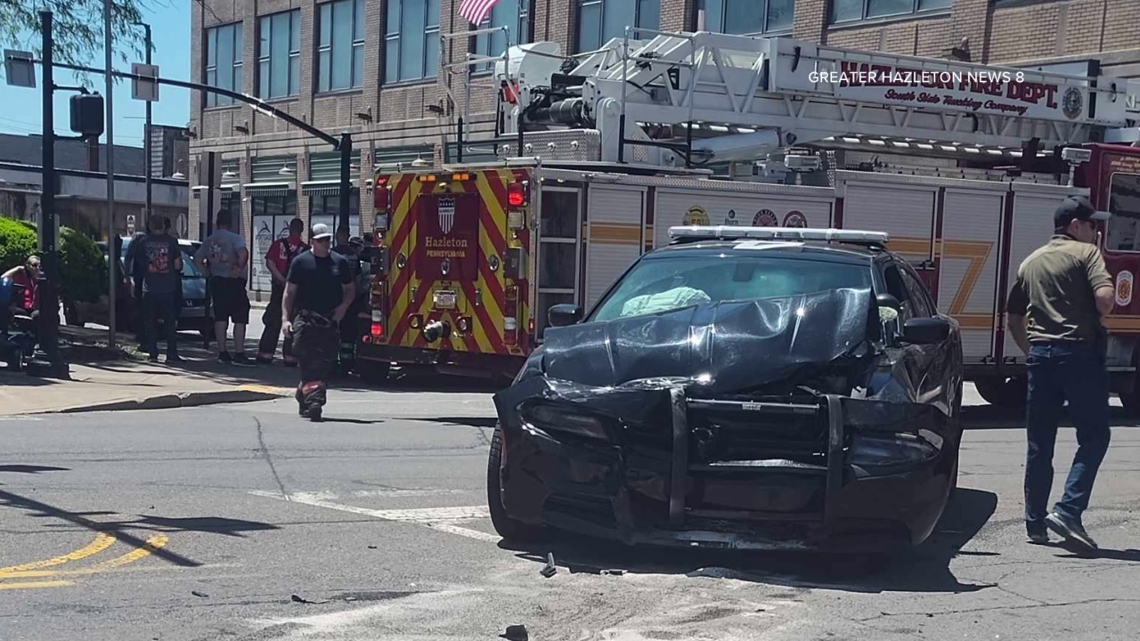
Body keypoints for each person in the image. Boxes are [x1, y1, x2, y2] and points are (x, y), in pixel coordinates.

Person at [1006, 195, 1114, 551]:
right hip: (1079, 355)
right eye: (1092, 224)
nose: (1095, 231)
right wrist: (1103, 304)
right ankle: (1068, 510)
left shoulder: (1031, 261)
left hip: (1041, 356)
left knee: (1040, 443)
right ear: (1075, 226)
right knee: (1095, 436)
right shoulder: (1087, 254)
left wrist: (1032, 351)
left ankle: (1035, 523)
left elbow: (1014, 317)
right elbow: (1105, 299)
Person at [282, 223, 355, 420]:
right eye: (321, 240)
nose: (325, 243)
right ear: (312, 241)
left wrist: (343, 308)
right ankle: (315, 401)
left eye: (327, 239)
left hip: (329, 321)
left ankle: (304, 393)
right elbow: (289, 293)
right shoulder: (300, 262)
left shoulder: (339, 262)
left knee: (324, 362)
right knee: (308, 360)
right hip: (306, 320)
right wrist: (285, 320)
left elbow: (350, 289)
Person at [195, 209, 252, 365]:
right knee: (240, 317)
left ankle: (222, 352)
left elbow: (197, 259)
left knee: (220, 317)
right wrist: (238, 268)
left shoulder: (209, 240)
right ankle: (239, 353)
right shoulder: (234, 238)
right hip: (234, 281)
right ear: (231, 223)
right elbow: (243, 253)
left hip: (217, 281)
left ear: (217, 222)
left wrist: (207, 273)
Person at [130, 217, 184, 363]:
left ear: (149, 226)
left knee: (150, 323)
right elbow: (178, 264)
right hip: (168, 288)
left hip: (149, 288)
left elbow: (138, 264)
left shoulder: (143, 242)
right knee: (170, 324)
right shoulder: (172, 242)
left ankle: (153, 353)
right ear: (164, 226)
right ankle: (171, 354)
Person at [257, 217, 308, 365]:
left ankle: (266, 354)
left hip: (279, 288)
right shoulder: (305, 249)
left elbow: (270, 263)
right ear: (301, 230)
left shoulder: (278, 244)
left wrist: (280, 278)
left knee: (273, 320)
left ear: (289, 229)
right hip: (296, 291)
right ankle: (290, 357)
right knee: (292, 321)